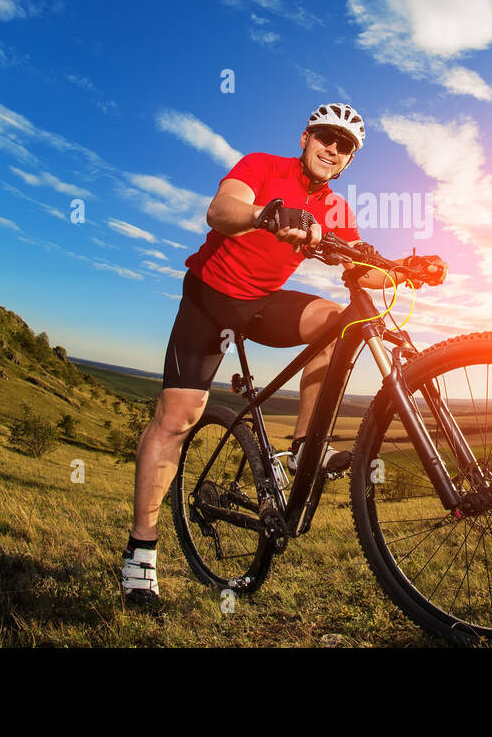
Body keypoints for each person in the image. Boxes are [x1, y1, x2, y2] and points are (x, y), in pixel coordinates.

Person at [121, 103, 412, 606]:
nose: (333, 149)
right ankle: (141, 551)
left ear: (348, 160)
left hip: (260, 305)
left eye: (345, 146)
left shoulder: (338, 211)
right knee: (177, 417)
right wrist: (268, 214)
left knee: (338, 319)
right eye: (326, 137)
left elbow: (362, 270)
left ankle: (303, 447)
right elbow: (221, 211)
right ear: (305, 137)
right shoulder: (261, 166)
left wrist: (406, 268)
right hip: (210, 300)